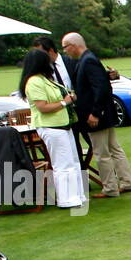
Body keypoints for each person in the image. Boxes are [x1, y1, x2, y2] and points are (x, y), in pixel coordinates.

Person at [61, 32, 131, 198]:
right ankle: (127, 182)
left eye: (65, 47)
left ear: (74, 45)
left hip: (96, 115)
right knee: (114, 149)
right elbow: (101, 83)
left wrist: (95, 113)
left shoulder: (87, 61)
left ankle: (110, 188)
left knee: (102, 153)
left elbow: (101, 88)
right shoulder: (88, 59)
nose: (65, 51)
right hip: (104, 113)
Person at [19, 48, 86, 210]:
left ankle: (79, 194)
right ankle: (67, 198)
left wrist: (69, 97)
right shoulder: (34, 82)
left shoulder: (46, 79)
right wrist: (65, 102)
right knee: (63, 163)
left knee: (74, 161)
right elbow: (43, 107)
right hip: (51, 127)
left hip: (64, 124)